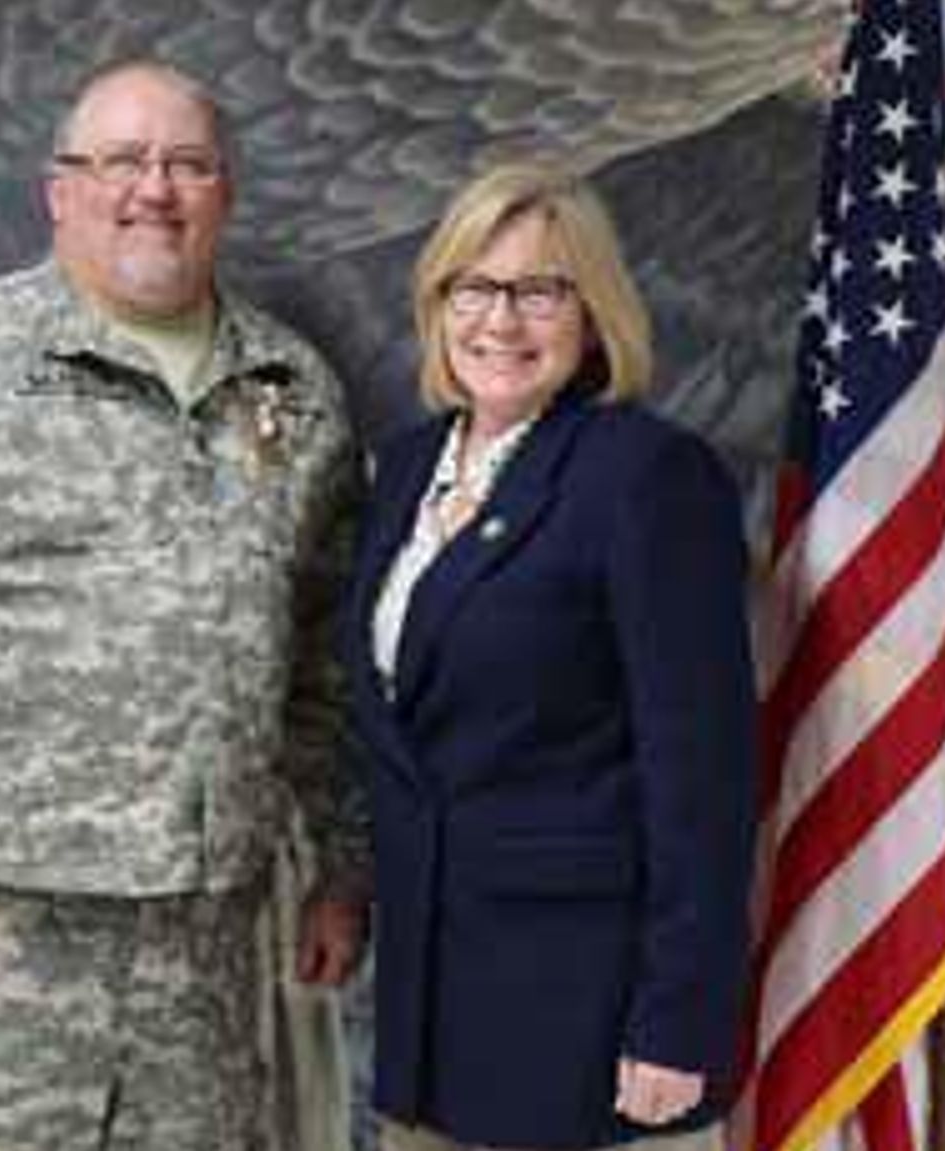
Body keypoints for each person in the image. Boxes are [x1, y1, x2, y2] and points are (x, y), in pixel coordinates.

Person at [0, 60, 370, 1151]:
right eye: (122, 161)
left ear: (225, 192)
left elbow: (325, 665)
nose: (155, 189)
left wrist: (337, 860)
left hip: (201, 944)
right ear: (59, 190)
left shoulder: (296, 390)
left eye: (187, 164)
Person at [343, 162, 757, 1151]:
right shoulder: (405, 471)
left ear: (593, 311)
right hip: (430, 1003)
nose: (503, 319)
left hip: (590, 1011)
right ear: (436, 303)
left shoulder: (645, 475)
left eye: (541, 289)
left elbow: (700, 774)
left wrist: (677, 1018)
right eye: (474, 287)